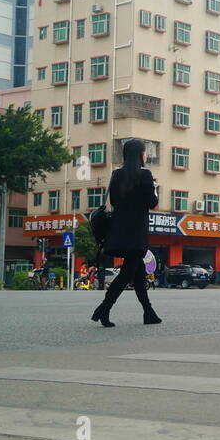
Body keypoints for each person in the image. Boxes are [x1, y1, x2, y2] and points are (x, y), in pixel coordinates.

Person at [91, 139, 162, 326]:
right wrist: (156, 189)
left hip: (119, 231)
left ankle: (149, 312)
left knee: (137, 273)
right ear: (140, 154)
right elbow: (153, 203)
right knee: (126, 274)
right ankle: (103, 308)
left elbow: (113, 201)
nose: (146, 155)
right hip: (137, 232)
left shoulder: (116, 174)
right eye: (145, 152)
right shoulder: (145, 174)